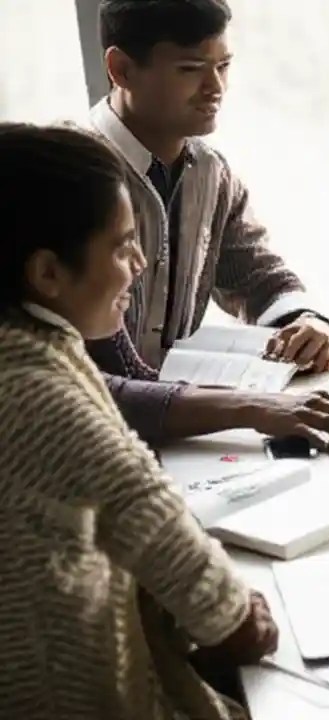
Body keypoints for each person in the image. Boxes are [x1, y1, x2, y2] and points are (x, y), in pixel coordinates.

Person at [0, 122, 276, 718]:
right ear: (47, 273)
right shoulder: (31, 391)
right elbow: (229, 618)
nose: (140, 263)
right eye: (122, 245)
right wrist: (239, 610)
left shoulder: (31, 341)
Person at [88, 0, 329, 450]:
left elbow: (255, 272)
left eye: (223, 66)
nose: (214, 87)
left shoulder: (210, 172)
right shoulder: (66, 180)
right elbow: (79, 385)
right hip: (90, 443)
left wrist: (307, 324)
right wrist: (252, 407)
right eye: (190, 69)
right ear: (121, 69)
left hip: (172, 432)